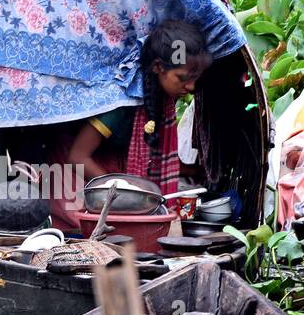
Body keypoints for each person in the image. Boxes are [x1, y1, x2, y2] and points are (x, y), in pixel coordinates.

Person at [50, 20, 212, 232]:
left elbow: (153, 158)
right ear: (157, 68)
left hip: (111, 172)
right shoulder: (121, 104)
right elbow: (77, 157)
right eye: (182, 78)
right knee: (93, 235)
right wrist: (124, 191)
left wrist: (195, 171)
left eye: (194, 79)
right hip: (75, 176)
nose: (190, 87)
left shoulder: (159, 101)